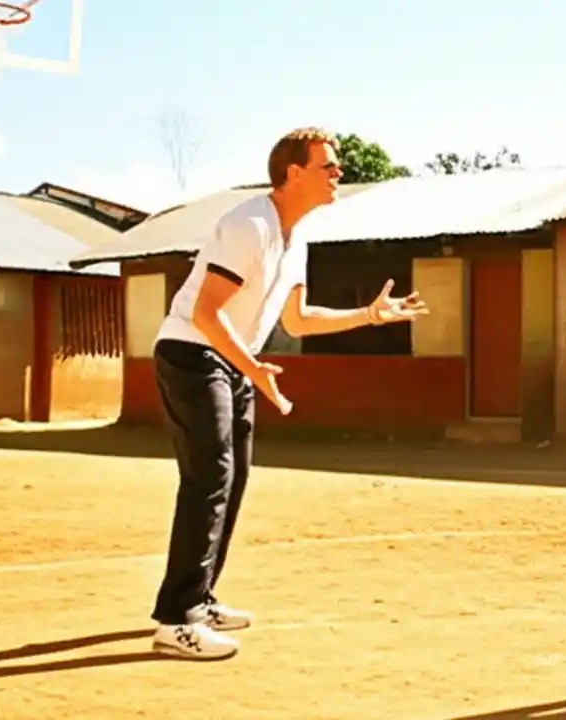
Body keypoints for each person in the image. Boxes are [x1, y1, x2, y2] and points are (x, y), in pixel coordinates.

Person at [148, 127, 429, 660]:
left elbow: (297, 321)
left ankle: (199, 598)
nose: (338, 175)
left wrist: (370, 315)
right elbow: (206, 314)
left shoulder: (296, 236)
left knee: (232, 481)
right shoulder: (248, 225)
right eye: (328, 166)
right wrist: (252, 367)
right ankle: (175, 621)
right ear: (293, 172)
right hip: (192, 352)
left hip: (233, 361)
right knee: (210, 477)